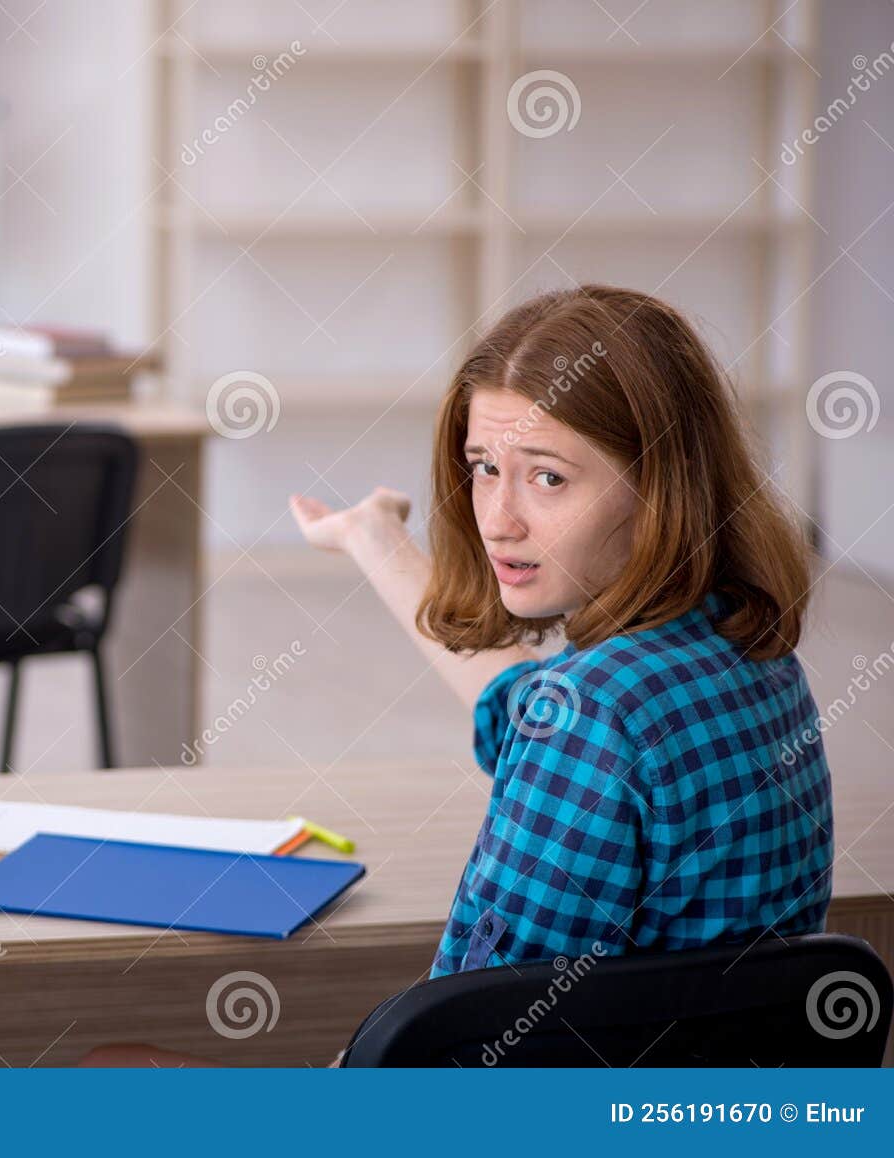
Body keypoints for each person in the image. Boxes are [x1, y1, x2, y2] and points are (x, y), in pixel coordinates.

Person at [83, 283, 832, 1066]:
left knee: (107, 1074)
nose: (497, 518)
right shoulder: (751, 658)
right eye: (482, 467)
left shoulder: (590, 715)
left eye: (548, 478)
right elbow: (527, 711)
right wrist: (375, 541)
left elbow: (475, 1047)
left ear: (661, 486)